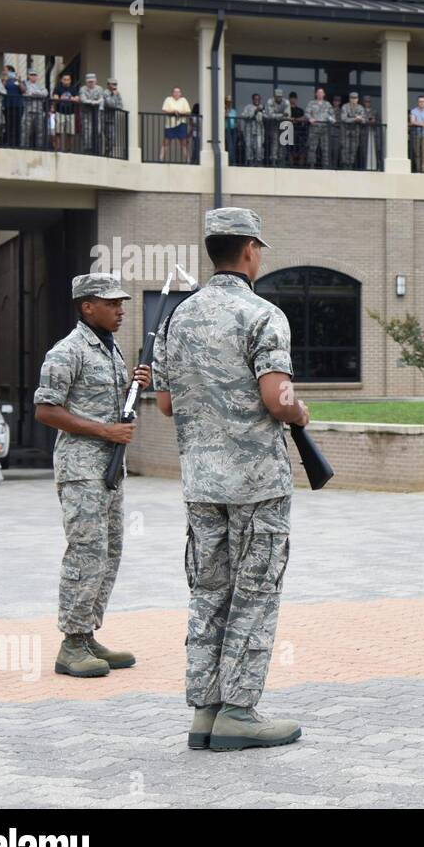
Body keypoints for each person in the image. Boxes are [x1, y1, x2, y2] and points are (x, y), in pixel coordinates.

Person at [153, 208, 307, 751]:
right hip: (256, 483)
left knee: (208, 593)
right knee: (255, 593)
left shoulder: (176, 319)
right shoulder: (263, 314)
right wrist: (300, 412)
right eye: (259, 248)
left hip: (200, 483)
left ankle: (205, 711)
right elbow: (277, 396)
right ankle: (240, 711)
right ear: (247, 250)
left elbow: (167, 405)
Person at [34, 273, 150, 679]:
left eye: (121, 303)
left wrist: (135, 387)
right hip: (81, 469)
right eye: (112, 303)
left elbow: (106, 405)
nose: (121, 310)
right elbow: (46, 410)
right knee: (86, 553)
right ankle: (71, 644)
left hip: (109, 469)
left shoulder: (111, 351)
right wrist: (104, 431)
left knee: (110, 551)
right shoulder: (67, 351)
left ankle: (87, 633)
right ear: (87, 306)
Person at [305, 87, 334, 168]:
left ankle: (325, 166)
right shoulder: (311, 103)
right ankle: (312, 165)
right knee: (312, 148)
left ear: (324, 94)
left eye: (321, 93)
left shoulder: (327, 104)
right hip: (314, 128)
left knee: (325, 148)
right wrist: (310, 118)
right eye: (318, 93)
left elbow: (332, 115)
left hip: (324, 129)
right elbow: (307, 113)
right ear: (316, 94)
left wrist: (331, 120)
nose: (320, 94)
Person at [161, 86, 191, 162]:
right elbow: (164, 110)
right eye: (175, 92)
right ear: (172, 93)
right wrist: (173, 112)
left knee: (183, 143)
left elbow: (188, 112)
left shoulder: (183, 100)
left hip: (181, 123)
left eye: (178, 92)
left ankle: (188, 160)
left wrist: (180, 112)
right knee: (166, 142)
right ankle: (161, 159)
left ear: (181, 93)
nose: (177, 93)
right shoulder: (168, 99)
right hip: (170, 124)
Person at [339, 91, 368, 169]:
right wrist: (355, 119)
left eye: (355, 98)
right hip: (346, 132)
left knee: (353, 149)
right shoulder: (345, 107)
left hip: (355, 132)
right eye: (352, 98)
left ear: (358, 99)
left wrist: (360, 120)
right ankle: (345, 166)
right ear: (349, 99)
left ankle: (350, 166)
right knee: (345, 149)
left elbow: (364, 120)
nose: (354, 100)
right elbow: (344, 118)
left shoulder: (360, 108)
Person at [21, 69, 49, 149]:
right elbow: (26, 93)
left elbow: (45, 93)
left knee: (40, 131)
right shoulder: (25, 84)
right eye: (31, 75)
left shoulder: (40, 85)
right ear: (28, 76)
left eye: (34, 75)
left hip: (39, 111)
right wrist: (38, 94)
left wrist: (34, 93)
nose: (33, 76)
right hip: (28, 111)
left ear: (37, 76)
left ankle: (39, 148)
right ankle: (24, 147)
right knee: (25, 131)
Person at [78, 73, 105, 154]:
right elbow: (83, 99)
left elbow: (101, 99)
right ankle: (87, 149)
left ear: (95, 81)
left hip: (97, 114)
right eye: (89, 82)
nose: (91, 83)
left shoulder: (99, 88)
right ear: (86, 82)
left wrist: (95, 102)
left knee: (98, 131)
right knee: (87, 132)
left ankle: (97, 149)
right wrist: (93, 102)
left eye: (92, 81)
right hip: (86, 113)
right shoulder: (82, 89)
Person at [262, 88, 287, 166]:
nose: (279, 98)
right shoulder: (270, 101)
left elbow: (288, 114)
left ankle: (281, 160)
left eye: (280, 96)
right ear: (274, 96)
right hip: (273, 124)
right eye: (277, 96)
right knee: (275, 142)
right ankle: (273, 160)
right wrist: (281, 115)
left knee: (283, 142)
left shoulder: (286, 102)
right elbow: (270, 115)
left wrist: (279, 116)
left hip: (283, 124)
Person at [101, 77, 124, 157]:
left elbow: (120, 106)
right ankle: (99, 153)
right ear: (108, 85)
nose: (115, 86)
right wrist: (114, 97)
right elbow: (110, 104)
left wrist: (115, 104)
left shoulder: (117, 93)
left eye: (116, 84)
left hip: (111, 119)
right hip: (102, 118)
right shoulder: (105, 93)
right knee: (101, 136)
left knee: (112, 138)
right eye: (113, 84)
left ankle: (108, 152)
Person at [239, 92, 264, 166]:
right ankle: (250, 161)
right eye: (255, 99)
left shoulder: (262, 108)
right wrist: (254, 112)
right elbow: (244, 116)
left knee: (259, 147)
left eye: (258, 99)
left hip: (259, 131)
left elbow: (266, 117)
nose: (257, 100)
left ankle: (259, 161)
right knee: (249, 146)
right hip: (249, 131)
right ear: (252, 99)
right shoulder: (248, 107)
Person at [409, 95, 424, 172]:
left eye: (423, 101)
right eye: (420, 101)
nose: (421, 103)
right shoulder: (413, 111)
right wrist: (423, 124)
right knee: (417, 153)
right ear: (418, 102)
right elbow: (412, 121)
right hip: (416, 135)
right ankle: (418, 169)